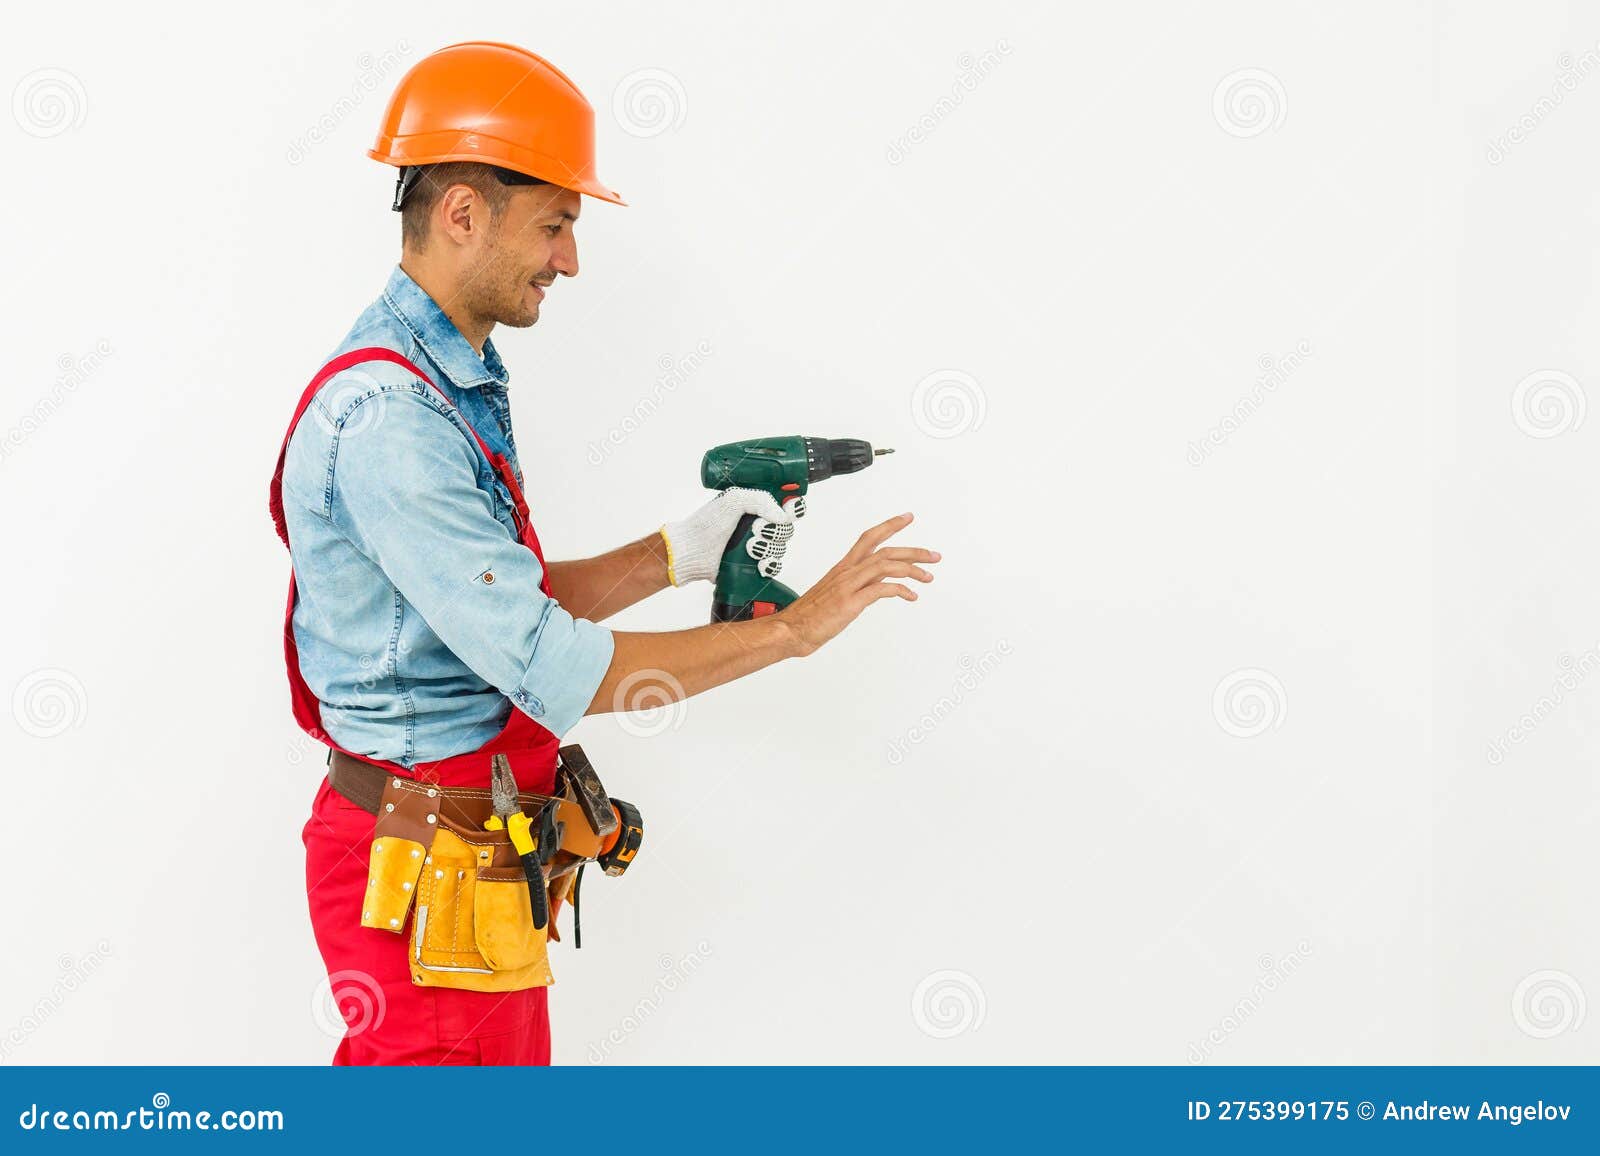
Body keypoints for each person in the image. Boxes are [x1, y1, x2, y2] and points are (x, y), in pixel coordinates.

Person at [270, 41, 939, 1065]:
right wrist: (795, 633)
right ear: (463, 213)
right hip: (422, 876)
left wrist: (679, 554)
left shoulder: (447, 377)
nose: (569, 260)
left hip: (469, 862)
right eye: (555, 224)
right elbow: (553, 665)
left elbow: (499, 606)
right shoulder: (392, 419)